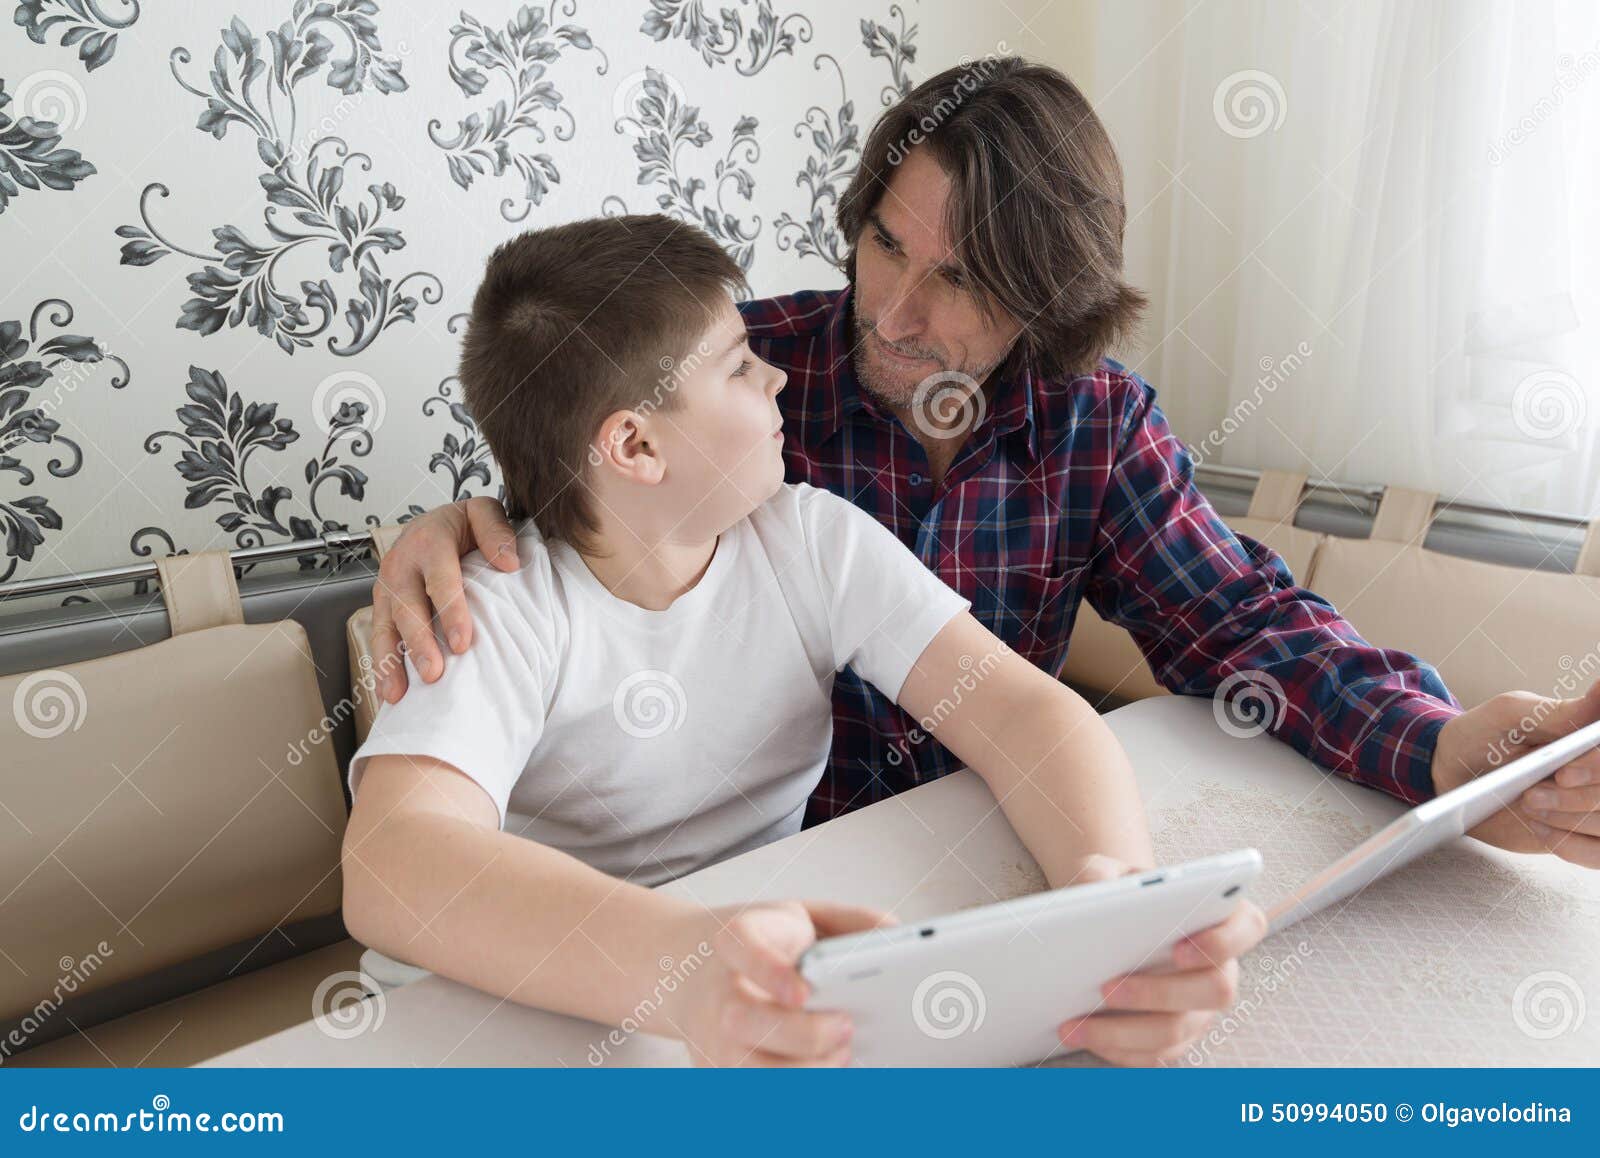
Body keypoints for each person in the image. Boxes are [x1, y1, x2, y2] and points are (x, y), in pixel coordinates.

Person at [365, 57, 1600, 1065]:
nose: (891, 314)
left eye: (956, 281)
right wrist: (485, 515)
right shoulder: (760, 389)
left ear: (1044, 299)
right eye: (885, 247)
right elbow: (598, 465)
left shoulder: (1071, 430)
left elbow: (1232, 631)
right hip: (633, 961)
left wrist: (1441, 748)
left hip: (920, 903)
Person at [343, 211, 1225, 1069]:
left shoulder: (811, 540)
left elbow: (1021, 711)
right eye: (738, 367)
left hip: (726, 987)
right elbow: (393, 866)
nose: (778, 381)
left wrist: (1113, 895)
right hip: (488, 1021)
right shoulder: (492, 606)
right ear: (636, 444)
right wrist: (681, 967)